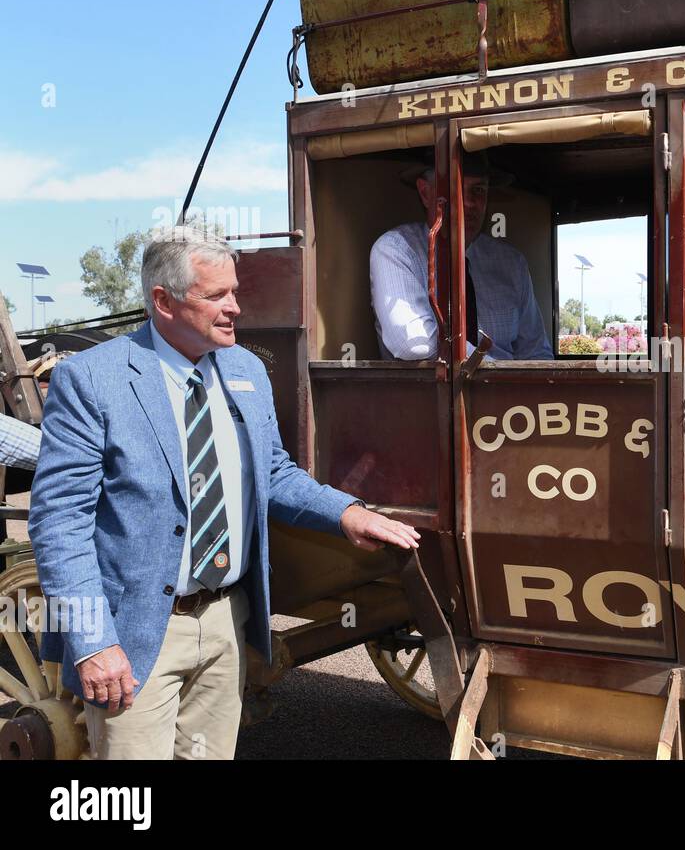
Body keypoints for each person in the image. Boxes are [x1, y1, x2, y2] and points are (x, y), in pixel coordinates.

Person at [29, 225, 421, 760]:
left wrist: (347, 513)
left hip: (224, 623)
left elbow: (273, 472)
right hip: (137, 633)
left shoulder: (246, 370)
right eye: (217, 296)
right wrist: (94, 641)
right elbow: (60, 524)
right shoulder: (91, 380)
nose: (235, 307)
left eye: (235, 292)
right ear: (163, 301)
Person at [370, 149, 553, 360]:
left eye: (478, 190)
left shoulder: (512, 264)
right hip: (425, 393)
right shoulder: (397, 250)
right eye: (453, 189)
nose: (468, 202)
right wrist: (492, 370)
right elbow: (412, 344)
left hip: (507, 392)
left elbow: (536, 352)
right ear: (425, 193)